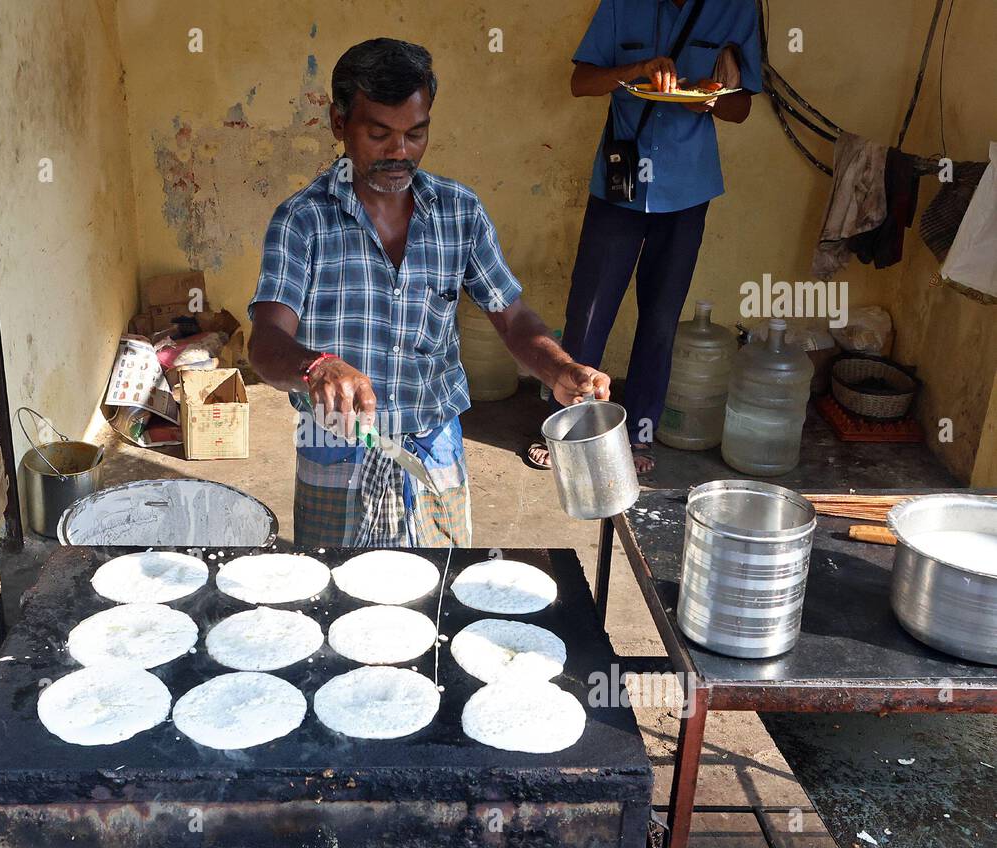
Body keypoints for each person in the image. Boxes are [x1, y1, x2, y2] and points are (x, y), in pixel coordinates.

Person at [249, 38, 610, 548]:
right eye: (379, 134)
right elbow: (265, 341)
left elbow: (512, 317)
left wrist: (558, 369)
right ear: (338, 123)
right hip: (334, 447)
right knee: (335, 602)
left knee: (439, 599)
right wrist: (316, 367)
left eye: (416, 133)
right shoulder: (302, 221)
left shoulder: (459, 211)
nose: (399, 152)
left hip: (435, 446)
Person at [524, 0, 760, 475]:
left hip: (689, 188)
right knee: (589, 310)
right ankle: (565, 424)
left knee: (660, 317)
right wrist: (638, 69)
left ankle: (639, 435)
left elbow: (742, 108)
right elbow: (581, 83)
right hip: (620, 184)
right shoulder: (622, 5)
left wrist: (709, 94)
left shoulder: (735, 10)